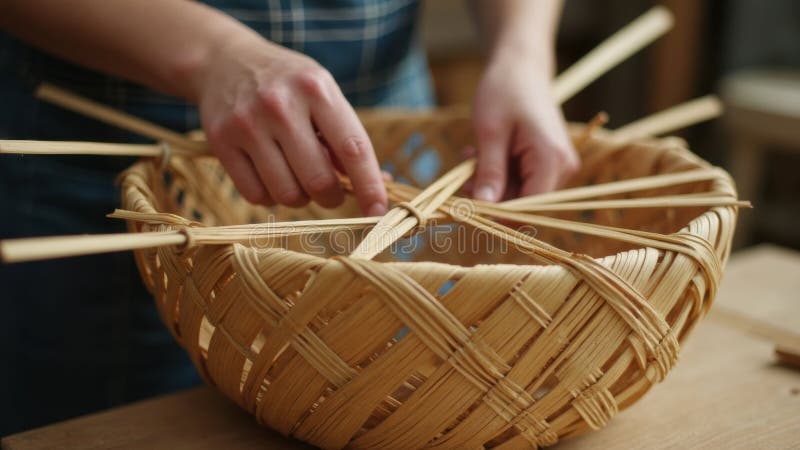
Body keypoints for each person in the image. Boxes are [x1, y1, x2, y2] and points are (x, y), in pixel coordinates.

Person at [0, 0, 578, 435]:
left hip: (395, 144)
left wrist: (523, 56)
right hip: (120, 176)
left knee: (408, 413)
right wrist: (214, 54)